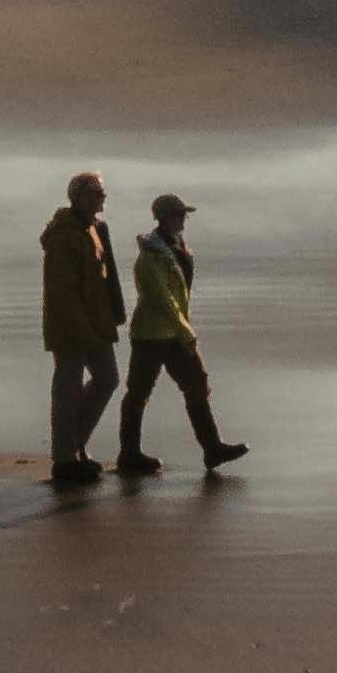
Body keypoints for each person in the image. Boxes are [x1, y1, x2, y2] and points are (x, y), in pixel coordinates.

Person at [116, 188, 246, 477]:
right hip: (151, 334)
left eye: (184, 215)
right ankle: (129, 453)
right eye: (179, 215)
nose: (184, 219)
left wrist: (182, 329)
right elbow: (163, 298)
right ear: (164, 218)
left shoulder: (177, 246)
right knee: (139, 392)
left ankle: (212, 448)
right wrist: (185, 331)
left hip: (175, 331)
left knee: (197, 385)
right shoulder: (152, 255)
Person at [41, 167, 124, 484]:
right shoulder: (64, 235)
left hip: (97, 322)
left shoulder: (96, 228)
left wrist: (112, 313)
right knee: (68, 388)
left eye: (102, 193)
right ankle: (65, 459)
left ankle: (74, 445)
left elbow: (105, 277)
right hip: (70, 327)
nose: (102, 198)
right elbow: (62, 291)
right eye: (96, 193)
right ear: (79, 197)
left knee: (107, 379)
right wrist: (82, 328)